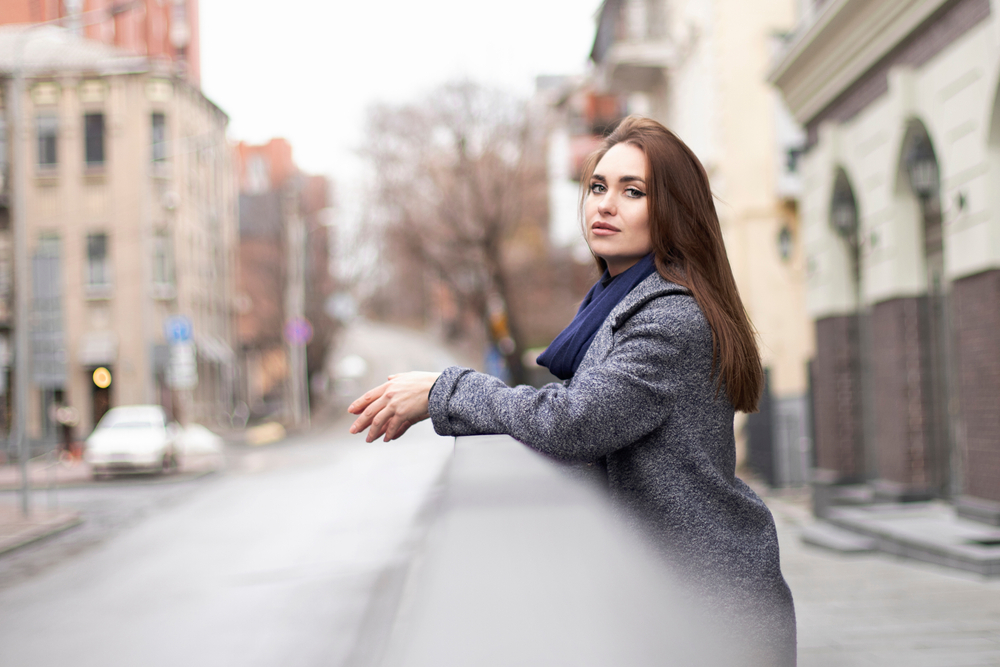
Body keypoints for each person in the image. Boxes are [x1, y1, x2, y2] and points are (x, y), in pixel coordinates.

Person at [349, 115, 796, 663]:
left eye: (633, 192)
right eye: (597, 187)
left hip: (711, 611)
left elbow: (575, 422)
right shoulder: (614, 306)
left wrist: (447, 389)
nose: (604, 205)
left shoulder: (670, 318)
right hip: (671, 601)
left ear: (675, 211)